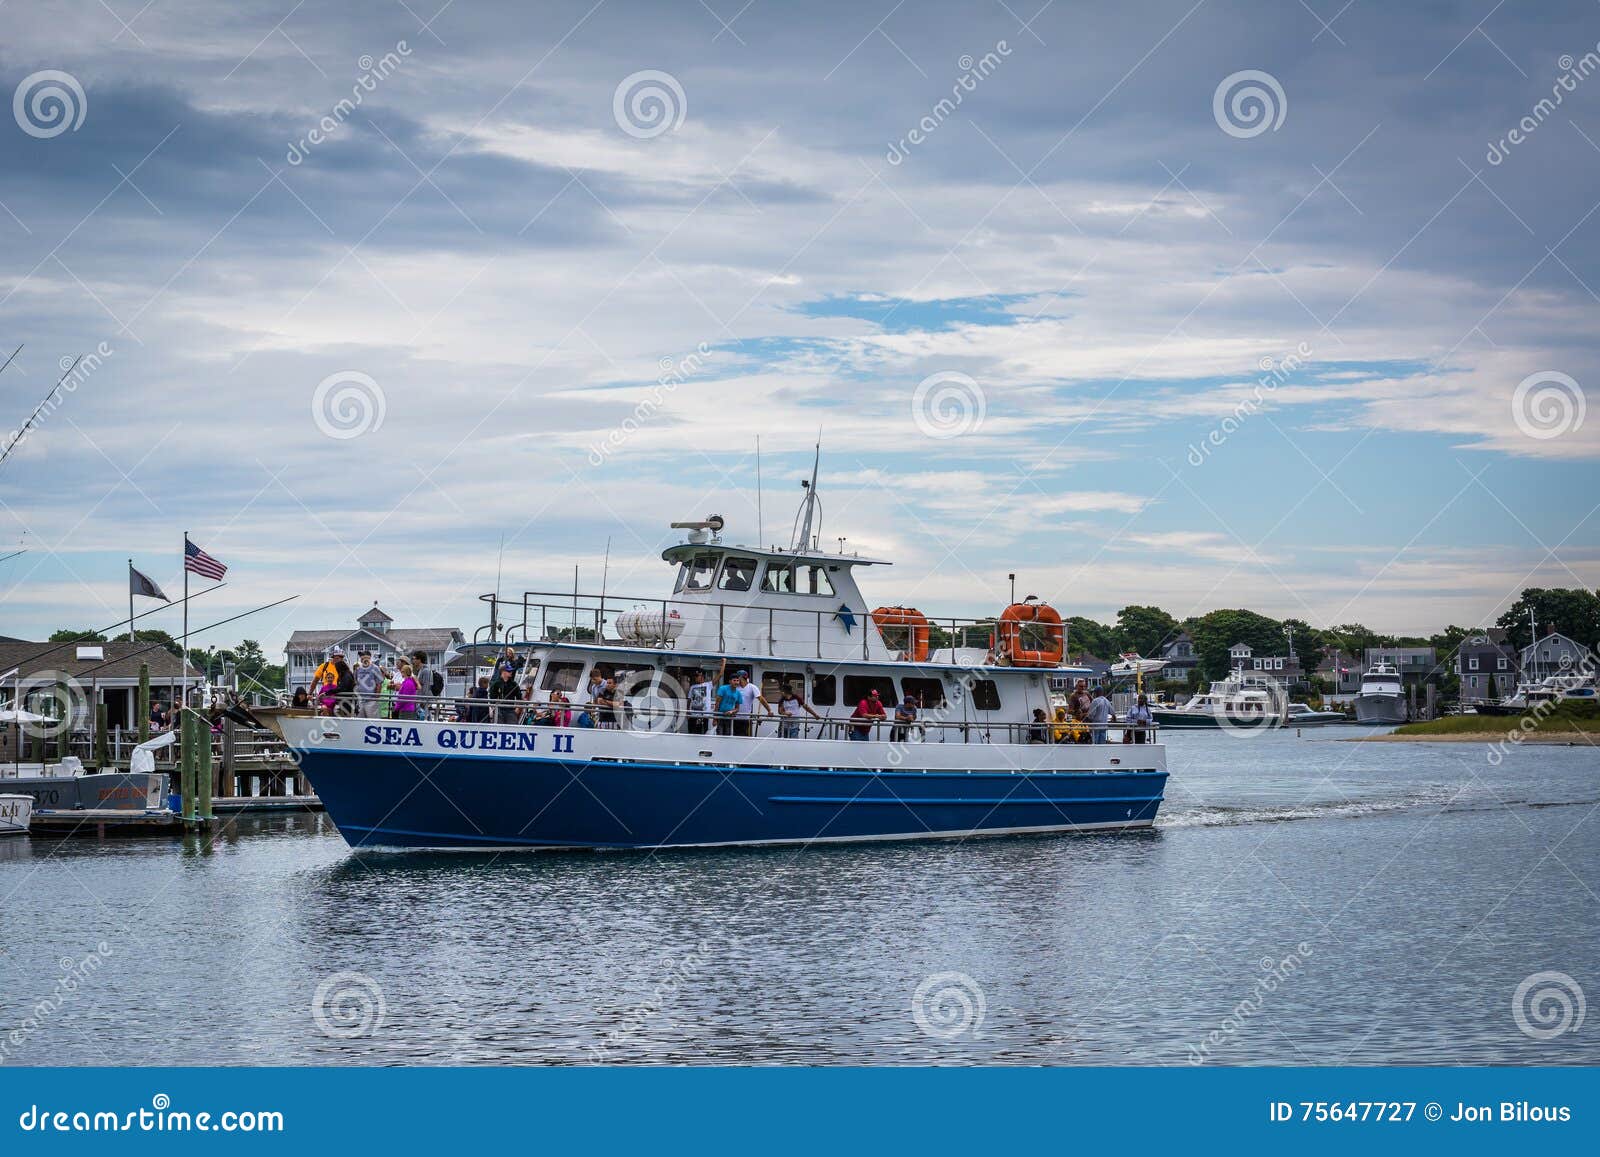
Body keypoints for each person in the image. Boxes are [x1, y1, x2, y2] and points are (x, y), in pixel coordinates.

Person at [735, 671, 772, 737]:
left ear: (741, 677)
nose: (736, 680)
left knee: (743, 737)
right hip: (733, 717)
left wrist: (769, 711)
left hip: (745, 718)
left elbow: (761, 699)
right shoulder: (735, 687)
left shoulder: (752, 687)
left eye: (737, 677)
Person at [353, 651, 386, 717]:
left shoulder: (375, 668)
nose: (364, 660)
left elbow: (379, 684)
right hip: (361, 700)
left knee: (372, 721)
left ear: (370, 658)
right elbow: (356, 682)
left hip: (371, 700)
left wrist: (376, 698)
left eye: (366, 658)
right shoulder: (358, 669)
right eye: (362, 659)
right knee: (360, 721)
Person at [714, 670, 741, 736]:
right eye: (734, 680)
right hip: (720, 716)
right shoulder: (722, 689)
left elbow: (737, 708)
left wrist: (731, 712)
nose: (736, 682)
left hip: (729, 717)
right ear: (730, 681)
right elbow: (717, 703)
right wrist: (715, 719)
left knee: (727, 736)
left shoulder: (738, 693)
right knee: (719, 735)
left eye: (737, 680)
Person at [686, 669, 713, 735]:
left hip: (704, 715)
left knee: (702, 733)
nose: (695, 678)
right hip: (693, 715)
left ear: (702, 676)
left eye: (697, 676)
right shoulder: (692, 687)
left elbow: (720, 675)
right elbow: (689, 700)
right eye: (695, 676)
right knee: (691, 732)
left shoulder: (708, 685)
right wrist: (688, 712)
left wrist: (724, 662)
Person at [1068, 678, 1092, 745]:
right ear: (1076, 686)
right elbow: (1070, 710)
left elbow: (1093, 703)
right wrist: (1078, 713)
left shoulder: (1087, 694)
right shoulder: (1073, 696)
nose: (1083, 688)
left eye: (1084, 686)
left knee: (1090, 737)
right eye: (1081, 686)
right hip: (1079, 721)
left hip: (1089, 720)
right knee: (1082, 739)